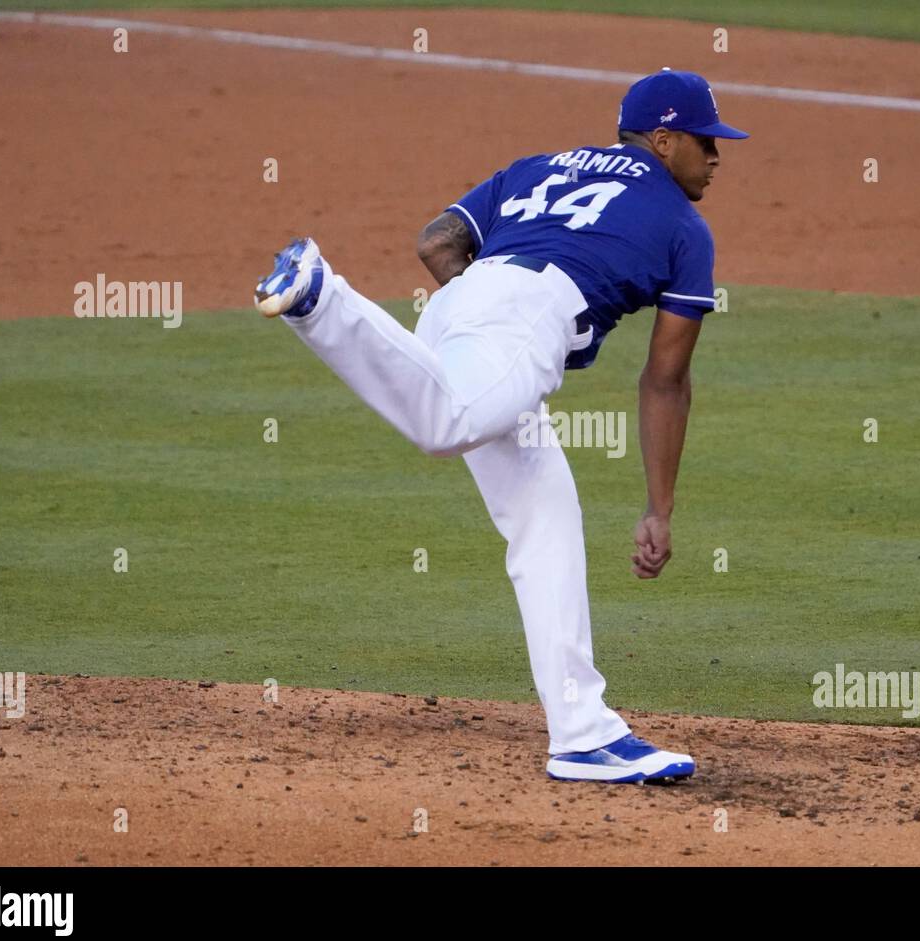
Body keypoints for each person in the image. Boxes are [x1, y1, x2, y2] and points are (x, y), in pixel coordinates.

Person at [254, 68, 747, 783]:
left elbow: (437, 242)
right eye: (706, 140)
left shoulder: (538, 167)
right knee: (444, 423)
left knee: (546, 521)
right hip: (527, 316)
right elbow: (665, 379)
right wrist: (659, 509)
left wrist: (482, 310)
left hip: (465, 299)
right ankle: (321, 300)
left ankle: (581, 734)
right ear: (665, 140)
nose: (717, 155)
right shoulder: (683, 227)